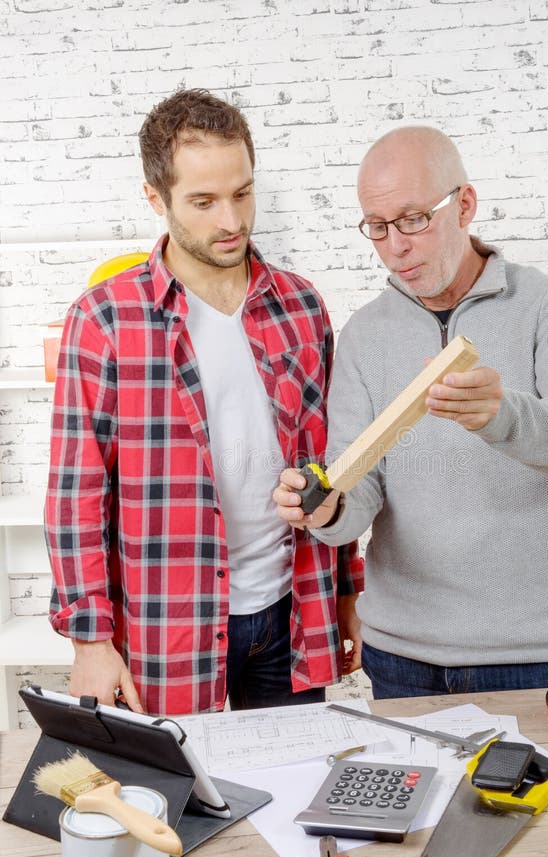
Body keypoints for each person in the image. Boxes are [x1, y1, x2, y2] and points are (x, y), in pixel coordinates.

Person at [45, 89, 363, 716]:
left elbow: (333, 461)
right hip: (168, 624)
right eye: (204, 201)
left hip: (291, 609)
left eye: (242, 193)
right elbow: (76, 492)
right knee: (179, 779)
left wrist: (347, 591)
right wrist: (90, 640)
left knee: (296, 776)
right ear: (156, 198)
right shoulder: (105, 319)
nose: (231, 220)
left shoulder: (302, 306)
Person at [274, 125, 548, 699]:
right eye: (377, 227)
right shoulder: (364, 334)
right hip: (402, 656)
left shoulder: (547, 306)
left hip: (540, 652)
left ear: (464, 205)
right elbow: (358, 486)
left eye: (413, 219)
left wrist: (503, 416)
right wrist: (328, 506)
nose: (395, 247)